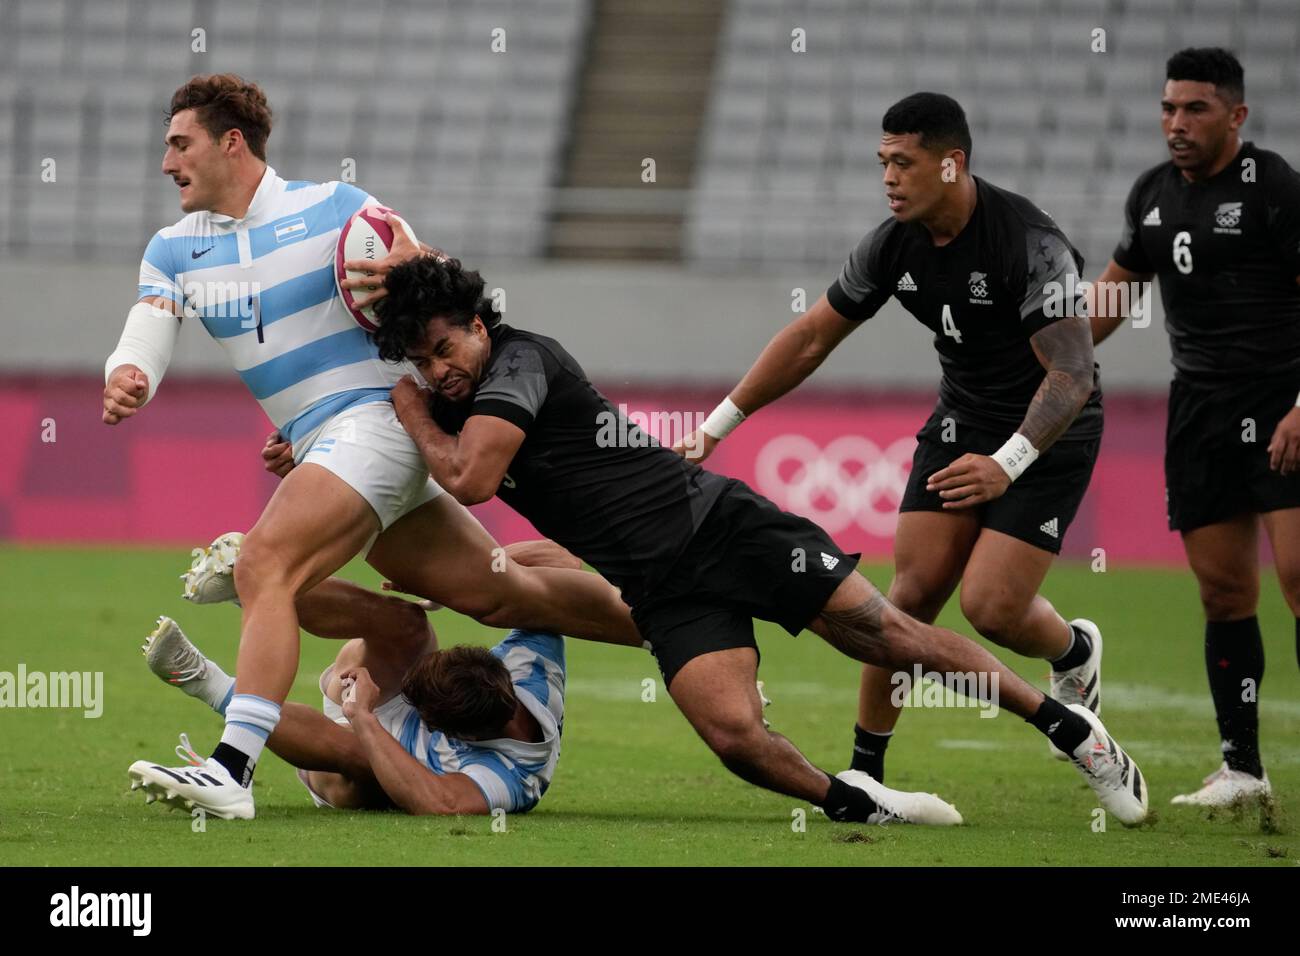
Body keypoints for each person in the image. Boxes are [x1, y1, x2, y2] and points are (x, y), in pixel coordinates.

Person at [366, 252, 1150, 825]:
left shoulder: (519, 363)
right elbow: (415, 452)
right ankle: (861, 805)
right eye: (423, 364)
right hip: (661, 590)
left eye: (446, 349)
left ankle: (1071, 729)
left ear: (478, 325)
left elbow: (467, 480)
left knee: (884, 635)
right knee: (734, 737)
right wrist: (308, 446)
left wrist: (407, 408)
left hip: (720, 526)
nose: (440, 372)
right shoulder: (455, 404)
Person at [105, 73, 640, 821]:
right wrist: (128, 372)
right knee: (498, 592)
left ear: (232, 143)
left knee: (267, 563)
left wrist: (410, 265)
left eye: (179, 143)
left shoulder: (337, 209)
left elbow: (432, 276)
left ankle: (231, 770)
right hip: (327, 443)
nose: (167, 163)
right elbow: (149, 324)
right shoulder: (172, 250)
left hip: (382, 423)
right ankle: (679, 631)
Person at [677, 92, 1106, 781]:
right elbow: (812, 336)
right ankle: (867, 773)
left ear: (950, 165)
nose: (888, 178)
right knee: (904, 601)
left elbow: (1074, 369)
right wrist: (716, 427)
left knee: (991, 608)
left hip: (1050, 427)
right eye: (882, 162)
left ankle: (1072, 653)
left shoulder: (1030, 243)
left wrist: (1008, 462)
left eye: (904, 163)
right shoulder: (891, 243)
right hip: (961, 420)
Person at [1088, 48, 1300, 807]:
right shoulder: (1152, 193)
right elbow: (1110, 299)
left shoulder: (1274, 186)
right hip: (1201, 412)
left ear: (1236, 115)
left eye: (1196, 110)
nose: (1176, 124)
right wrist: (1047, 357)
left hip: (1283, 404)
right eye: (1169, 108)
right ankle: (1242, 768)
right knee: (1222, 594)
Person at [131, 541, 573, 818]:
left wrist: (363, 715)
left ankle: (203, 679)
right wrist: (460, 582)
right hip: (358, 677)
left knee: (364, 764)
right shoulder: (531, 669)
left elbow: (440, 803)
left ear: (454, 733)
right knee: (411, 625)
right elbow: (561, 561)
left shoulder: (510, 776)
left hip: (346, 761)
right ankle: (261, 582)